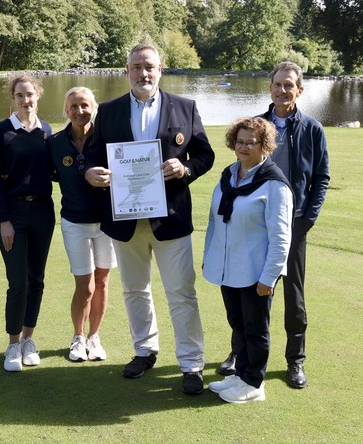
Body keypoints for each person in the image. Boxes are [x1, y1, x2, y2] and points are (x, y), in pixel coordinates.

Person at [84, 44, 215, 395]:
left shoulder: (185, 108)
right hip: (125, 221)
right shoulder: (108, 112)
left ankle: (191, 364)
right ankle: (144, 350)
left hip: (170, 219)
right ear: (127, 70)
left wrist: (185, 168)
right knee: (134, 290)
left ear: (161, 69)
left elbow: (205, 155)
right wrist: (90, 173)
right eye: (137, 67)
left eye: (150, 67)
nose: (144, 73)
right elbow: (91, 158)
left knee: (181, 293)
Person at [217, 61, 330, 389]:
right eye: (277, 84)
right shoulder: (256, 125)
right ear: (270, 87)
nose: (282, 90)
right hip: (254, 225)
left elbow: (321, 177)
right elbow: (238, 167)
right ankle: (240, 354)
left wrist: (307, 219)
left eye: (289, 85)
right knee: (248, 294)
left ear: (299, 90)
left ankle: (295, 360)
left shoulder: (311, 129)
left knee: (293, 294)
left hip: (293, 223)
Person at [204, 117, 293, 403]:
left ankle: (254, 383)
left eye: (250, 142)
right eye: (239, 141)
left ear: (264, 145)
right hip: (228, 268)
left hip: (256, 272)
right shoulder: (229, 175)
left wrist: (269, 277)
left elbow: (281, 238)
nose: (243, 147)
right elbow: (214, 222)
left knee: (255, 329)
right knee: (238, 324)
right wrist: (211, 258)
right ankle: (241, 374)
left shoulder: (274, 185)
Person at [0, 75, 55, 372]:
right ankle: (13, 343)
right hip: (11, 213)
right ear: (12, 98)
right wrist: (3, 220)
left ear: (38, 95)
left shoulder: (47, 131)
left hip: (42, 212)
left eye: (30, 94)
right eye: (20, 96)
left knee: (37, 279)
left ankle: (29, 339)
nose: (25, 100)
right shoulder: (0, 131)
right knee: (18, 281)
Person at [49, 87, 117, 362]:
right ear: (66, 111)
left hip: (107, 221)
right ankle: (78, 337)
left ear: (95, 108)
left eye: (85, 105)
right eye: (74, 106)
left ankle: (94, 337)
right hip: (74, 222)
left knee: (102, 281)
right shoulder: (54, 143)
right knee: (85, 286)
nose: (80, 111)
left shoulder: (107, 139)